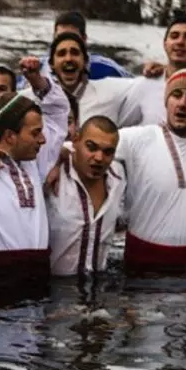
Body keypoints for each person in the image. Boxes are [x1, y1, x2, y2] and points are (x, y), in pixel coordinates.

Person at [0, 57, 69, 295]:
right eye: (36, 133)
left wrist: (36, 80)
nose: (43, 139)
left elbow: (59, 110)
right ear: (10, 136)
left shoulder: (34, 162)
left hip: (37, 280)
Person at [115, 70, 186, 274]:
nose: (183, 103)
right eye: (176, 95)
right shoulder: (138, 139)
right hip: (139, 273)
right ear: (166, 102)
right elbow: (87, 144)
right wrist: (61, 151)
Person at [44, 116, 122, 278]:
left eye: (108, 152)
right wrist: (55, 159)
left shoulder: (118, 177)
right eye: (91, 147)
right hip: (54, 286)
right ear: (76, 140)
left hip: (98, 284)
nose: (99, 157)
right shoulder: (52, 171)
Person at [47, 31, 138, 129]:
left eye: (75, 53)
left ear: (86, 62)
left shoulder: (110, 90)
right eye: (61, 54)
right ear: (51, 64)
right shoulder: (37, 97)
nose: (68, 58)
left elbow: (146, 86)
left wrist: (153, 71)